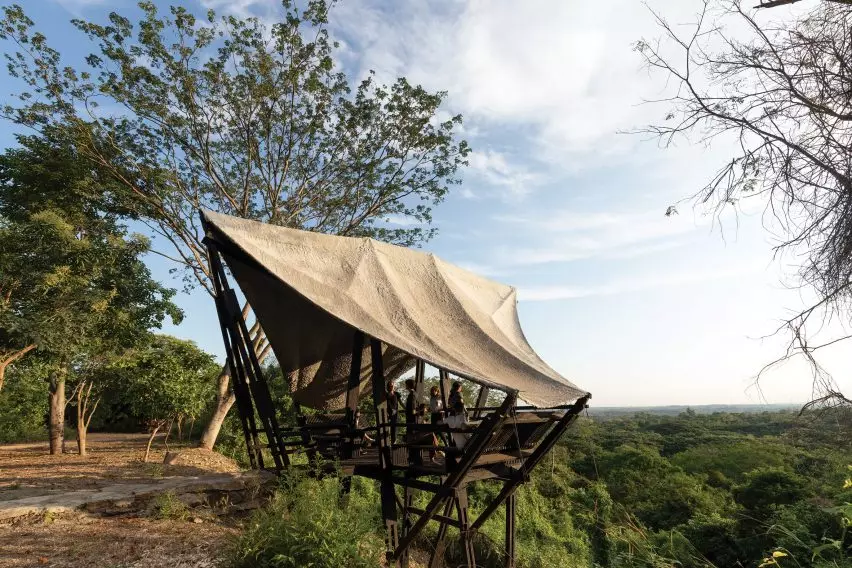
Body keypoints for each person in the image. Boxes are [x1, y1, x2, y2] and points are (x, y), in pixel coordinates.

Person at [446, 381, 469, 449]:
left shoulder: (451, 395)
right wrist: (466, 412)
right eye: (461, 387)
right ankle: (465, 447)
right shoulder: (459, 394)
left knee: (455, 431)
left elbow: (450, 405)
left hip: (453, 415)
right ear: (459, 387)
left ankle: (456, 447)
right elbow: (462, 404)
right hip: (460, 414)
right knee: (464, 431)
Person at [385, 380, 401, 444]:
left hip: (395, 413)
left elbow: (400, 402)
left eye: (392, 386)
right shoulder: (385, 394)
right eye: (389, 386)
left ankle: (394, 442)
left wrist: (406, 408)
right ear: (387, 387)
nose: (391, 387)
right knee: (386, 428)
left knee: (394, 428)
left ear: (394, 386)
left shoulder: (396, 394)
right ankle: (387, 442)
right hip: (387, 412)